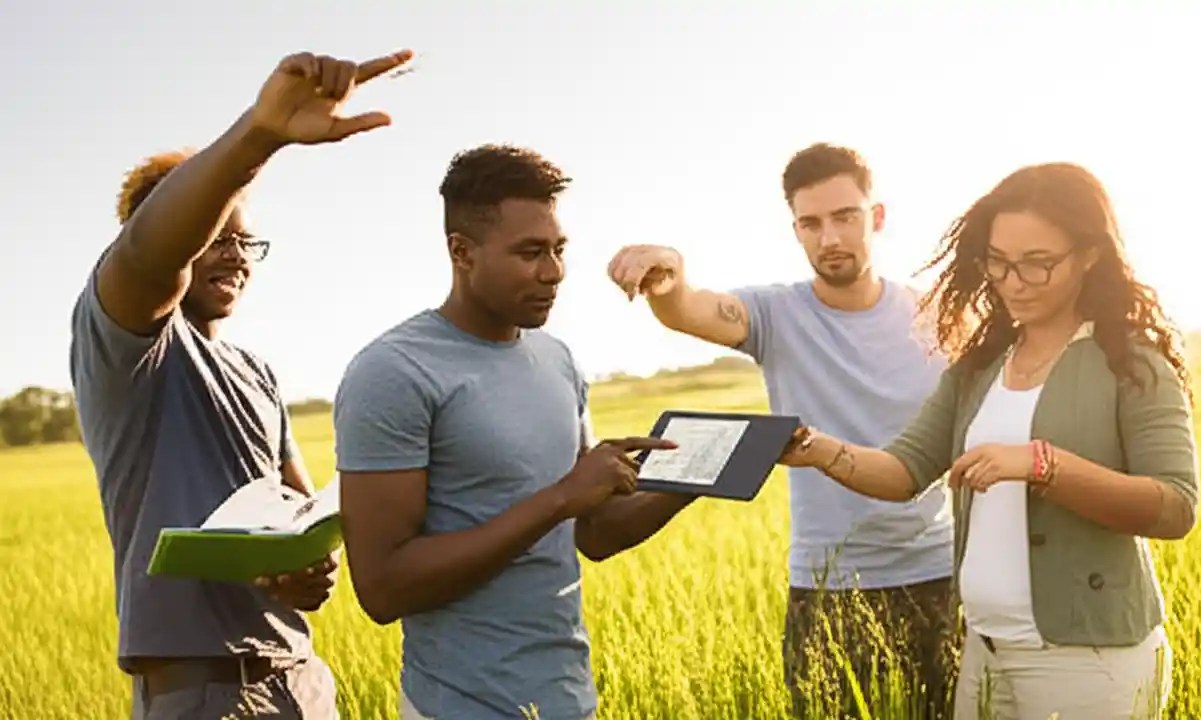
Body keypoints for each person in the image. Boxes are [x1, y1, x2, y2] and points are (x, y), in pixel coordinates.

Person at [779, 161, 1197, 720]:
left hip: (1088, 660)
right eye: (998, 263)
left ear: (1089, 255)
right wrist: (816, 449)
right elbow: (903, 472)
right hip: (983, 653)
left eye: (1037, 264)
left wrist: (1041, 465)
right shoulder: (978, 369)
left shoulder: (1132, 365)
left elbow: (1174, 508)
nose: (1012, 282)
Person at [69, 47, 414, 719]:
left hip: (299, 676)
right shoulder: (126, 346)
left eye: (244, 241)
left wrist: (310, 569)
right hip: (202, 688)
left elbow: (297, 513)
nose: (231, 252)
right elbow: (148, 255)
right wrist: (258, 138)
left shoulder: (256, 372)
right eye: (213, 236)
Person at [333, 143, 696, 720]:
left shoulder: (558, 360)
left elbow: (593, 535)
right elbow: (382, 587)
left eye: (558, 249)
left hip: (567, 699)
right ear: (462, 252)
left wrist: (696, 476)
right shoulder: (394, 371)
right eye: (530, 253)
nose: (552, 272)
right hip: (458, 707)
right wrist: (559, 498)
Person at [607, 142, 956, 718]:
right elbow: (690, 307)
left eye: (845, 217)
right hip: (828, 589)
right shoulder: (776, 315)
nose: (830, 238)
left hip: (939, 574)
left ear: (879, 217)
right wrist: (668, 277)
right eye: (810, 223)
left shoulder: (934, 316)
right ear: (795, 229)